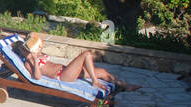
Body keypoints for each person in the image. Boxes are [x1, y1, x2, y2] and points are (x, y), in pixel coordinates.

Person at [11, 33, 140, 92]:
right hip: (62, 76)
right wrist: (34, 60)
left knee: (102, 72)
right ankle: (95, 81)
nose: (25, 50)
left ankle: (125, 85)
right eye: (22, 50)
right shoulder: (29, 63)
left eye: (25, 47)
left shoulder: (36, 52)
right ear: (21, 53)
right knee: (86, 54)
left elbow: (36, 37)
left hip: (67, 70)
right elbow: (37, 77)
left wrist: (32, 42)